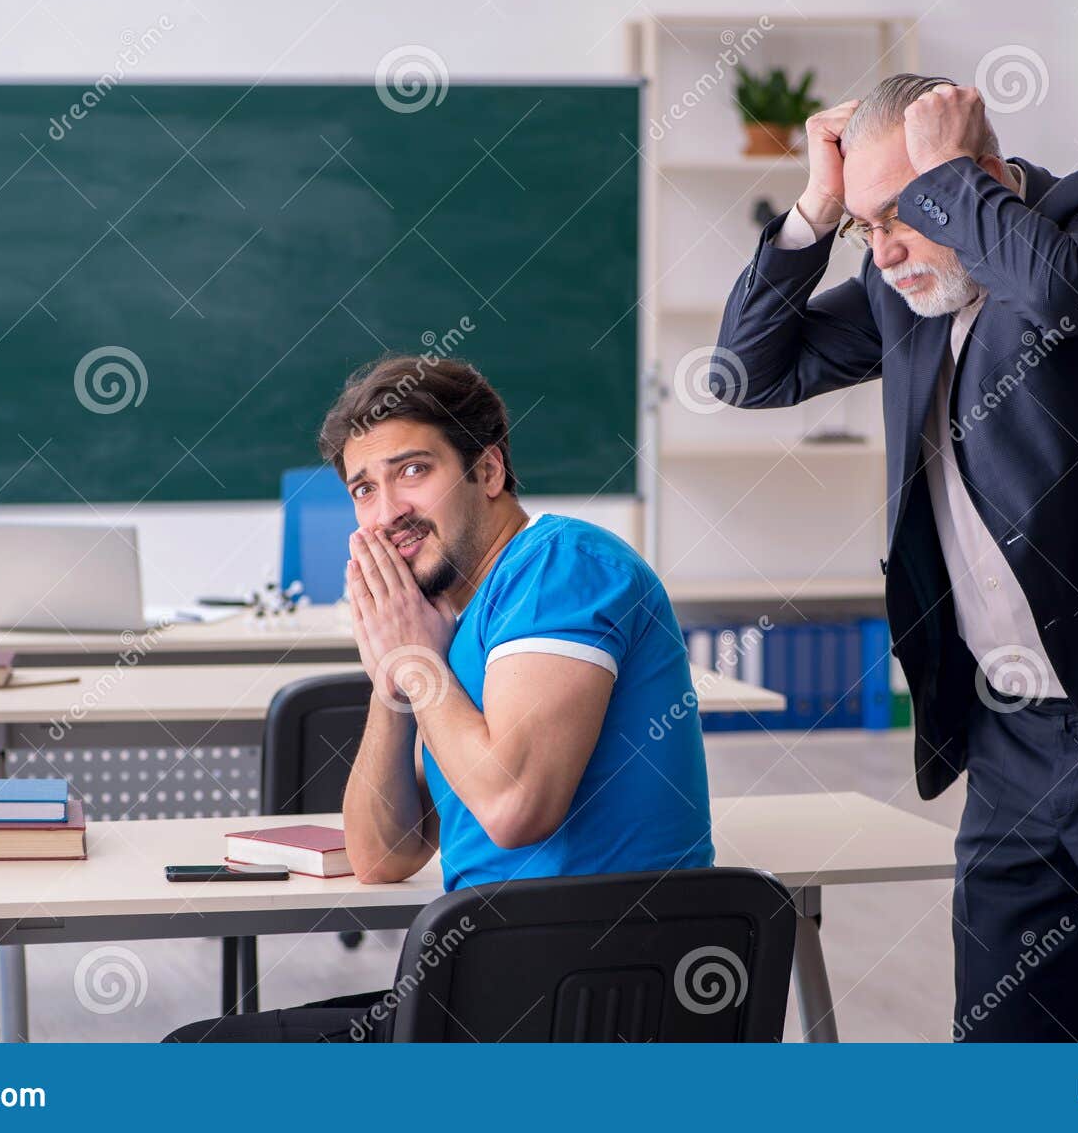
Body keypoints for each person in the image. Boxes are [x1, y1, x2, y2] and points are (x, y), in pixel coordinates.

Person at [713, 74, 1078, 1041]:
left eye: (906, 213)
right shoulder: (906, 289)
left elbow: (1057, 292)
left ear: (980, 174)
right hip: (1011, 742)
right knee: (1003, 1054)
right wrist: (817, 209)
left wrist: (945, 175)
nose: (886, 250)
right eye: (868, 227)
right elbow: (747, 372)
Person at [165, 353, 714, 1042]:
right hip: (511, 984)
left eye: (413, 471)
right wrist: (394, 677)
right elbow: (383, 855)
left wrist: (418, 662)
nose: (387, 512)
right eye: (364, 488)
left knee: (197, 1056)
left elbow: (515, 809)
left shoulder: (561, 567)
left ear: (488, 471)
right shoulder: (455, 623)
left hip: (596, 1002)